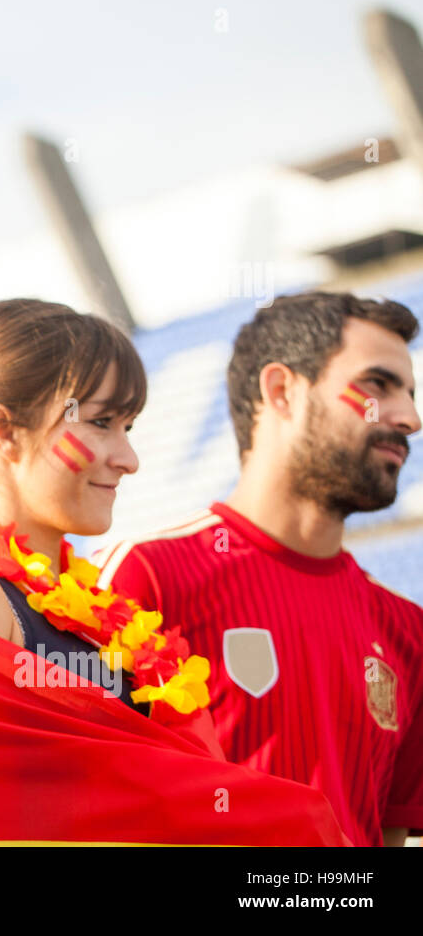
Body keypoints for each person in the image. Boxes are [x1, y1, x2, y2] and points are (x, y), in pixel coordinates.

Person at [0, 298, 348, 845]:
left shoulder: (95, 607)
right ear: (5, 432)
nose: (129, 458)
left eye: (127, 426)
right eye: (101, 423)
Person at [95, 291, 423, 846]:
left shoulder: (405, 630)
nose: (409, 419)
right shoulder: (146, 579)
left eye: (410, 395)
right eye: (376, 386)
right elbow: (90, 810)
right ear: (282, 391)